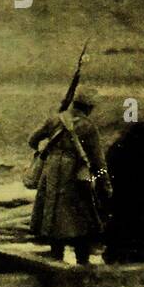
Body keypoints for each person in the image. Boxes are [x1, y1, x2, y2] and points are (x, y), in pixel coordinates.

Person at [27, 89, 112, 265]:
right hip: (75, 173)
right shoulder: (88, 127)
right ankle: (83, 261)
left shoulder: (54, 119)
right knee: (82, 216)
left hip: (50, 170)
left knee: (52, 214)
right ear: (88, 107)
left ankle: (55, 257)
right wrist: (105, 183)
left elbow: (32, 140)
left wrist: (45, 151)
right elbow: (98, 161)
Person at [103, 122, 144, 263]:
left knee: (119, 221)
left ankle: (113, 253)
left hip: (121, 192)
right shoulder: (138, 147)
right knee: (128, 222)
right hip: (131, 193)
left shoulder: (119, 146)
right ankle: (122, 253)